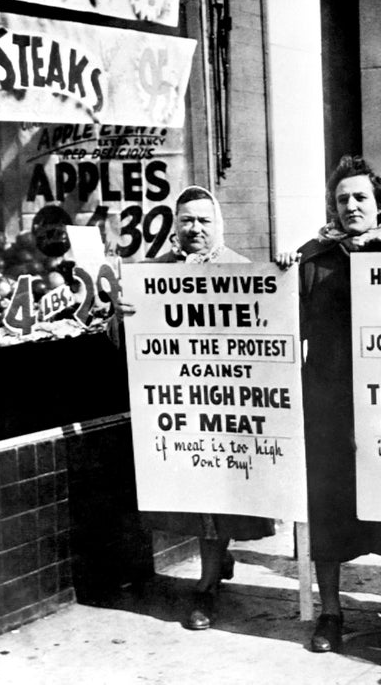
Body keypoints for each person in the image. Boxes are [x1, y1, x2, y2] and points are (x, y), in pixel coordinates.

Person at [275, 156, 381, 653]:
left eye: (361, 198)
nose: (352, 206)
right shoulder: (314, 258)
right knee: (328, 507)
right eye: (343, 199)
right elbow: (278, 323)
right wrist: (282, 277)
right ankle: (330, 612)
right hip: (329, 401)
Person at [142, 185, 276, 630]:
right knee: (202, 499)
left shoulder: (241, 269)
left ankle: (210, 578)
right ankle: (209, 581)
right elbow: (128, 342)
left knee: (224, 495)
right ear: (174, 225)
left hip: (230, 404)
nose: (194, 228)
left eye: (203, 220)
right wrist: (123, 315)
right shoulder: (155, 273)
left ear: (218, 223)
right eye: (186, 220)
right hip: (186, 404)